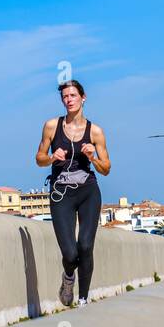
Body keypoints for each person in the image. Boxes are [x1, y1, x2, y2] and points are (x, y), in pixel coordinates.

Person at [36, 80, 111, 308]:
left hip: (88, 191)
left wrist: (92, 158)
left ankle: (83, 298)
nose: (69, 100)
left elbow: (106, 169)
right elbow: (39, 158)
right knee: (70, 253)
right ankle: (68, 278)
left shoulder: (95, 131)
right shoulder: (51, 126)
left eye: (73, 96)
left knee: (86, 245)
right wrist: (52, 158)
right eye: (65, 97)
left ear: (83, 97)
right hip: (61, 193)